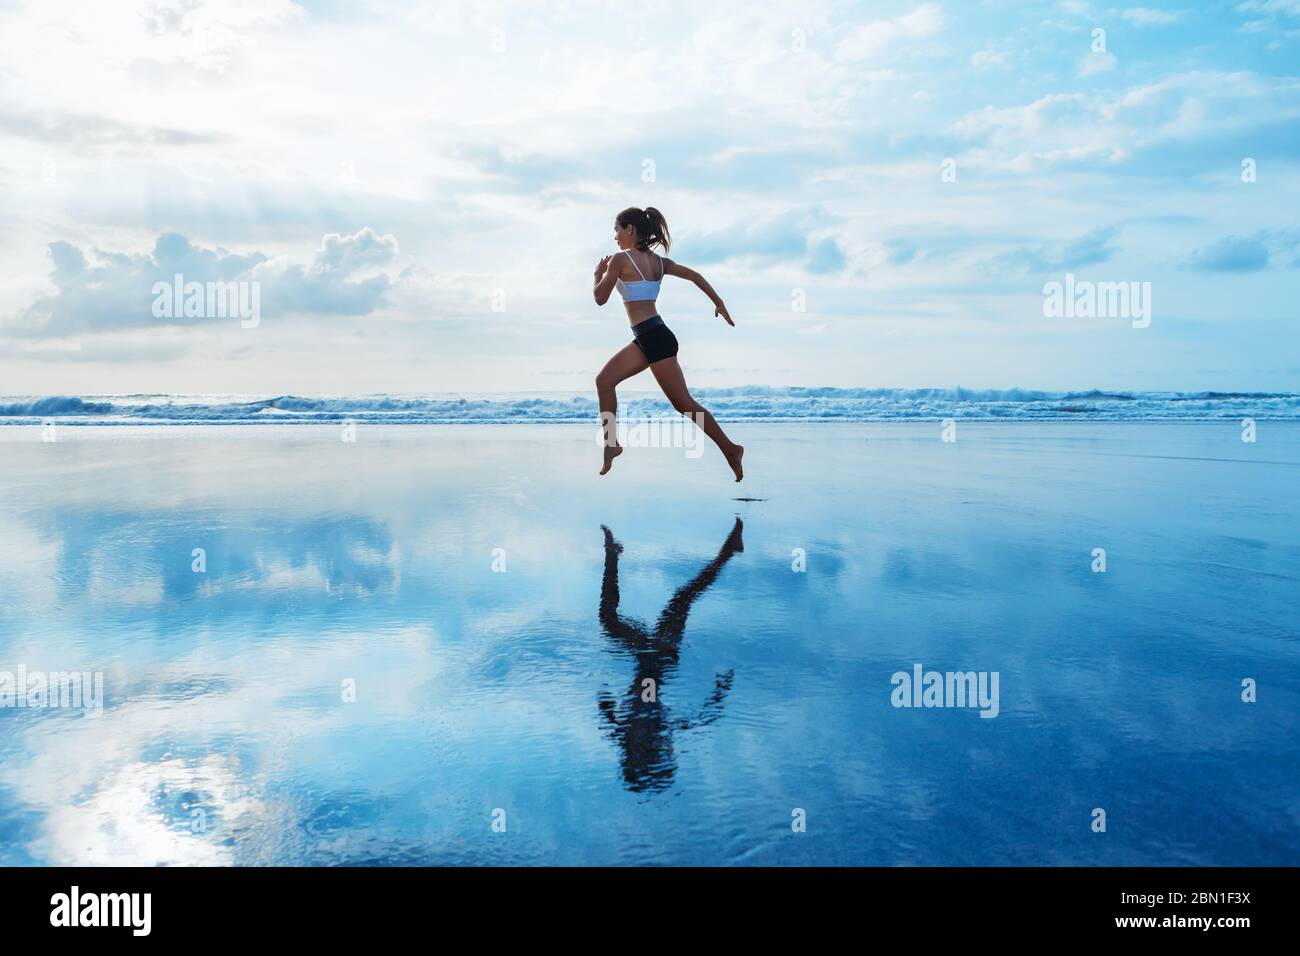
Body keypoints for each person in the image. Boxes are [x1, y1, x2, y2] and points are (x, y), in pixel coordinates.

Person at [592, 206, 744, 481]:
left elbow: (600, 298)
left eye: (617, 229)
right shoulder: (660, 263)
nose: (615, 236)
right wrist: (718, 303)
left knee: (684, 403)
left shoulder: (619, 260)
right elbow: (695, 276)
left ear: (630, 230)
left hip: (654, 338)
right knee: (604, 381)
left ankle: (731, 449)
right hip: (651, 336)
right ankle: (611, 444)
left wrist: (597, 276)